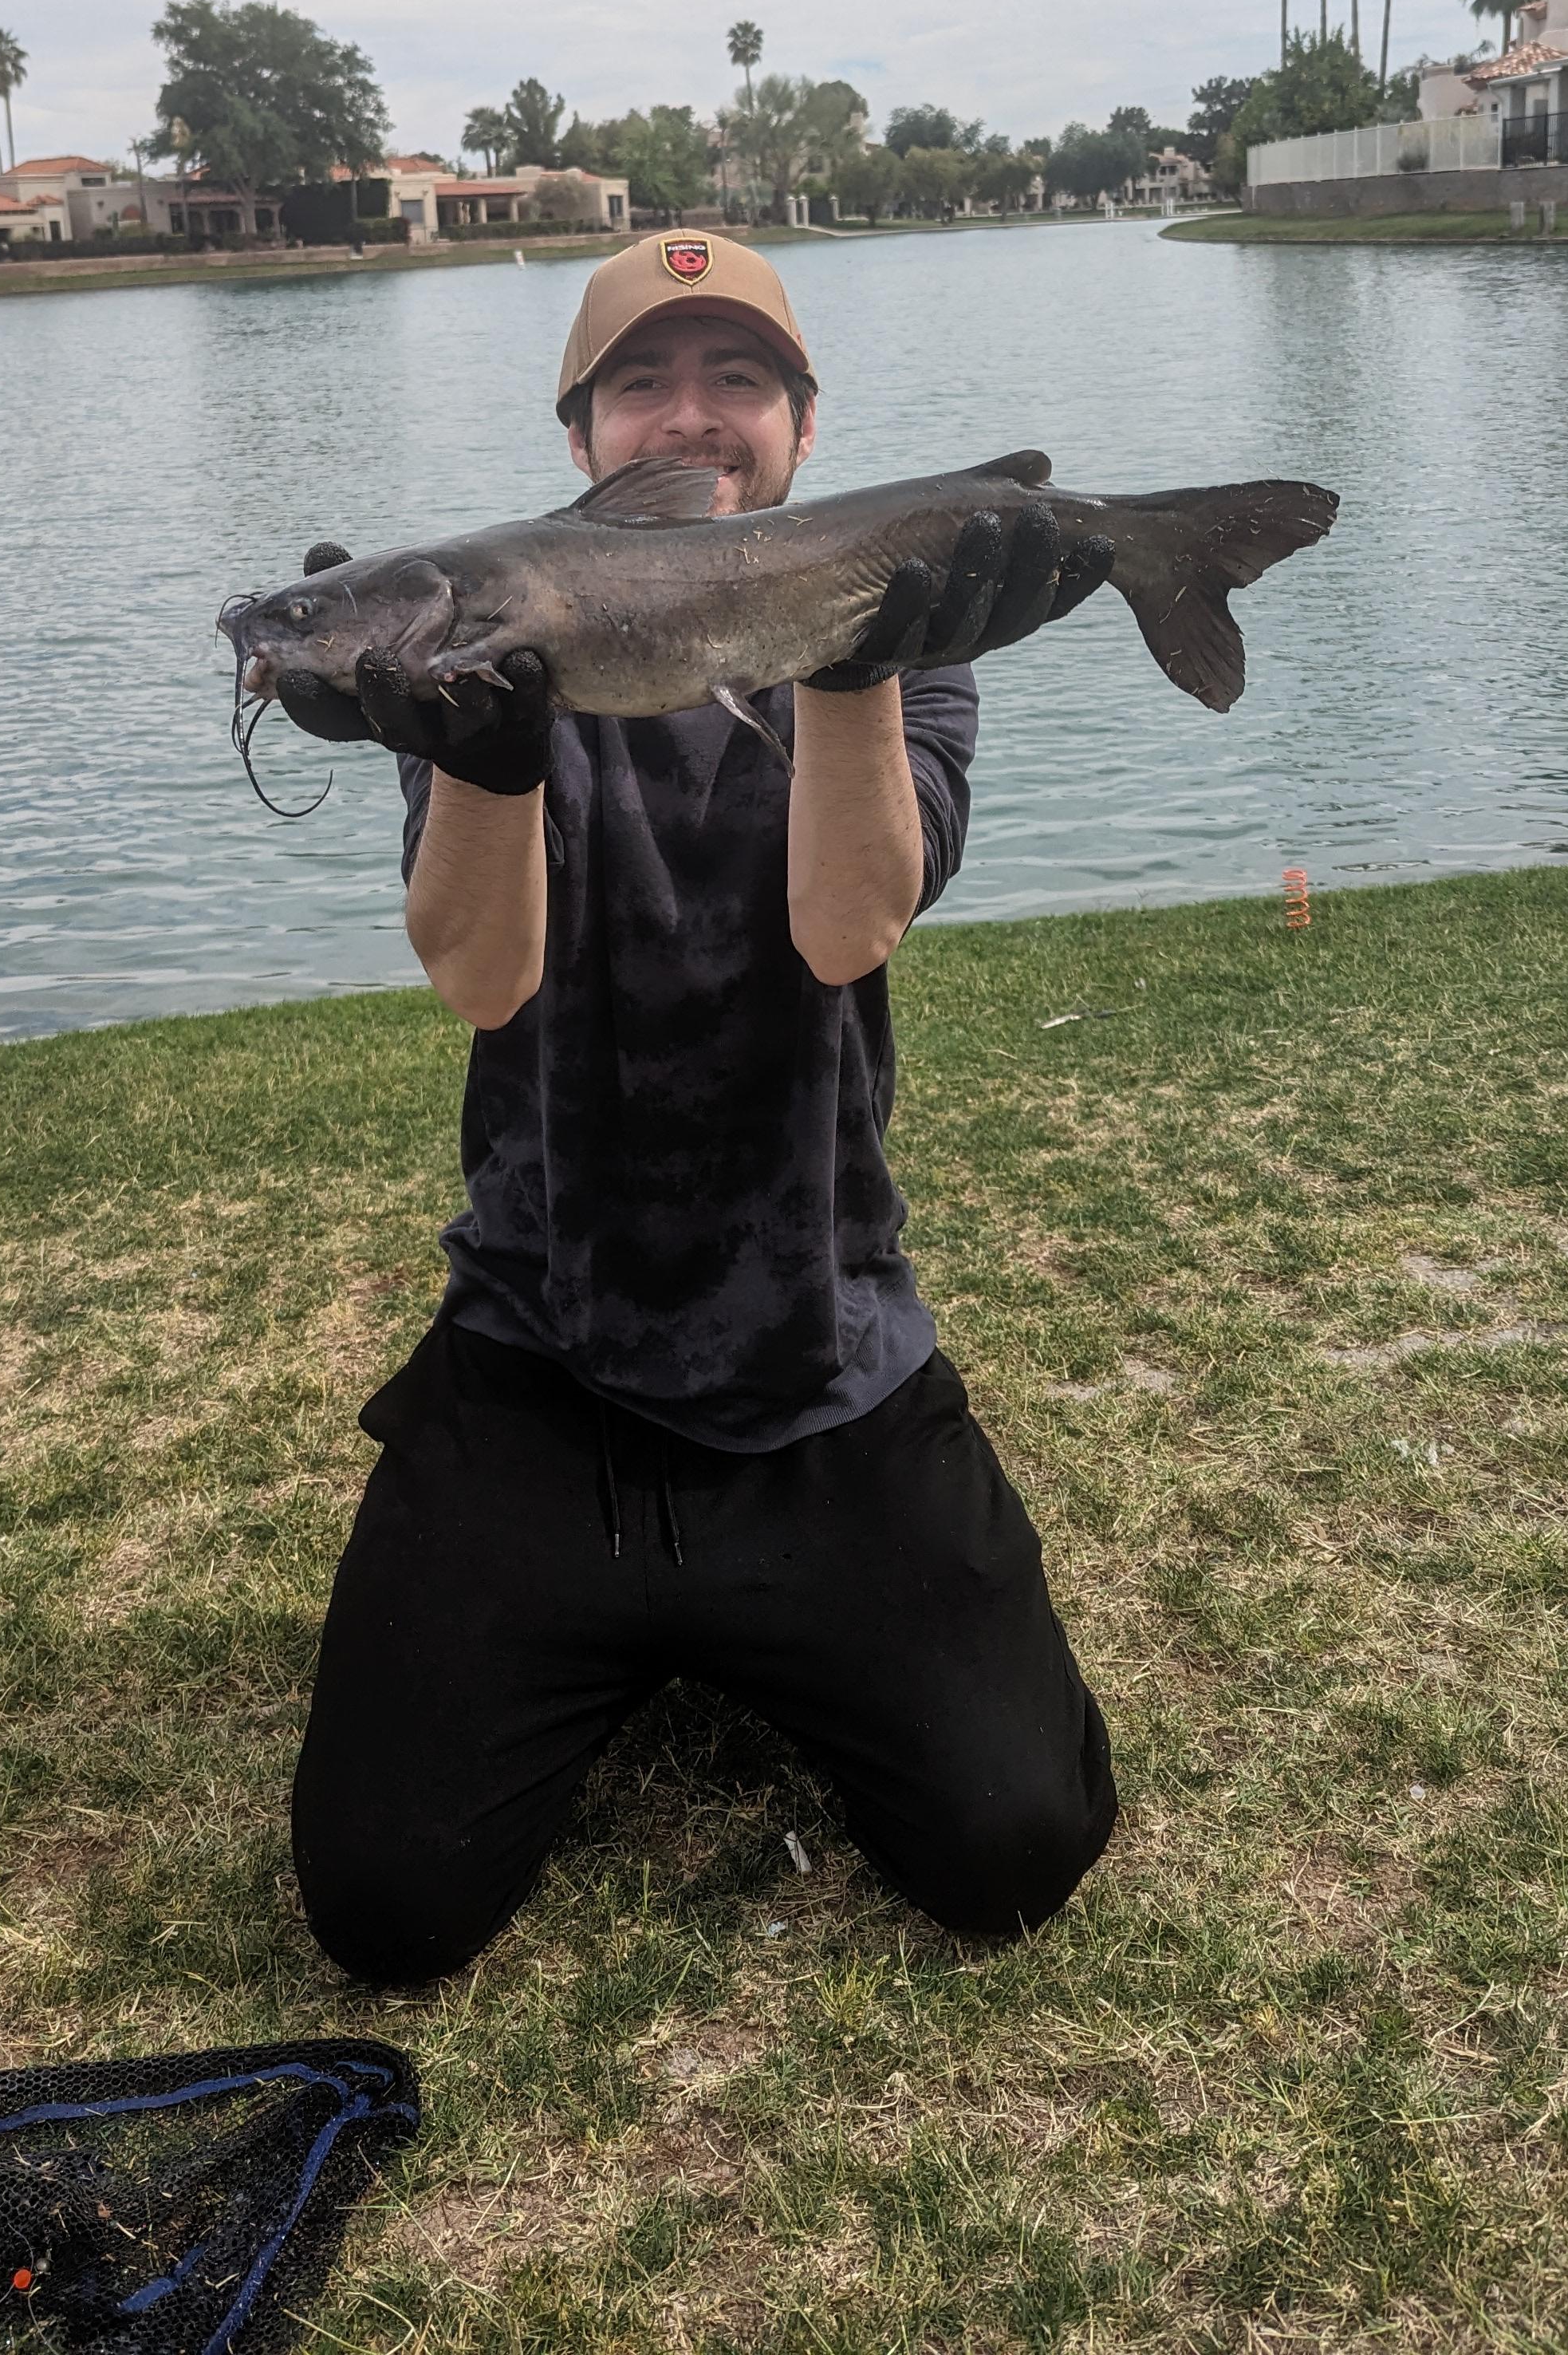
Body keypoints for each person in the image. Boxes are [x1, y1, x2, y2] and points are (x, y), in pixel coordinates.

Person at [278, 229, 1117, 1980]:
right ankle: (609, 1616)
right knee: (385, 1908)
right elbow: (478, 977)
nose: (695, 416)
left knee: (1018, 1846)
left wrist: (856, 664)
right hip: (539, 1357)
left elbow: (847, 924)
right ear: (581, 435)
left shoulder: (900, 633)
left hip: (825, 1357)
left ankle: (736, 1619)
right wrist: (484, 763)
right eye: (645, 381)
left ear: (805, 424)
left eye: (740, 377)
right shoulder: (478, 648)